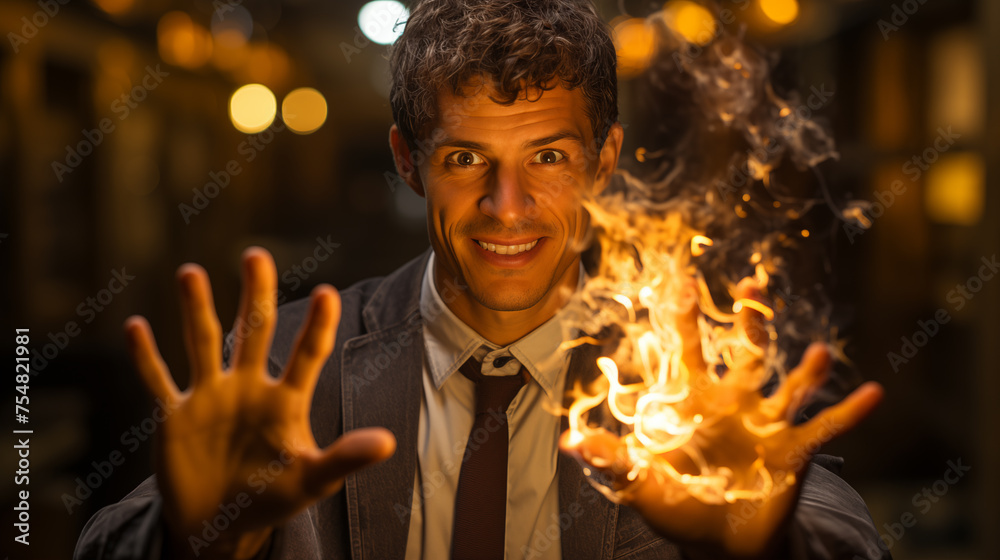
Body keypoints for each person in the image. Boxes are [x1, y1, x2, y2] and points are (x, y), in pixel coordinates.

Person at [75, 0, 889, 558]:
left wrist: (758, 541)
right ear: (408, 163)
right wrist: (196, 539)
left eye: (548, 158)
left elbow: (843, 534)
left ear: (603, 162)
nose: (508, 208)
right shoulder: (286, 360)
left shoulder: (689, 367)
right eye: (467, 160)